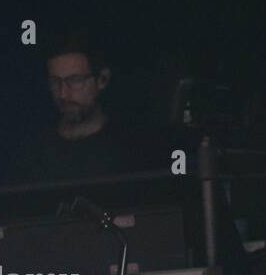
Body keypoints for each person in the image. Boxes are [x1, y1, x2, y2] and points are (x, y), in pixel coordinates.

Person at [10, 31, 163, 184]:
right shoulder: (33, 152)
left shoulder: (130, 150)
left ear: (102, 80)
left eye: (75, 80)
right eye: (55, 82)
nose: (63, 94)